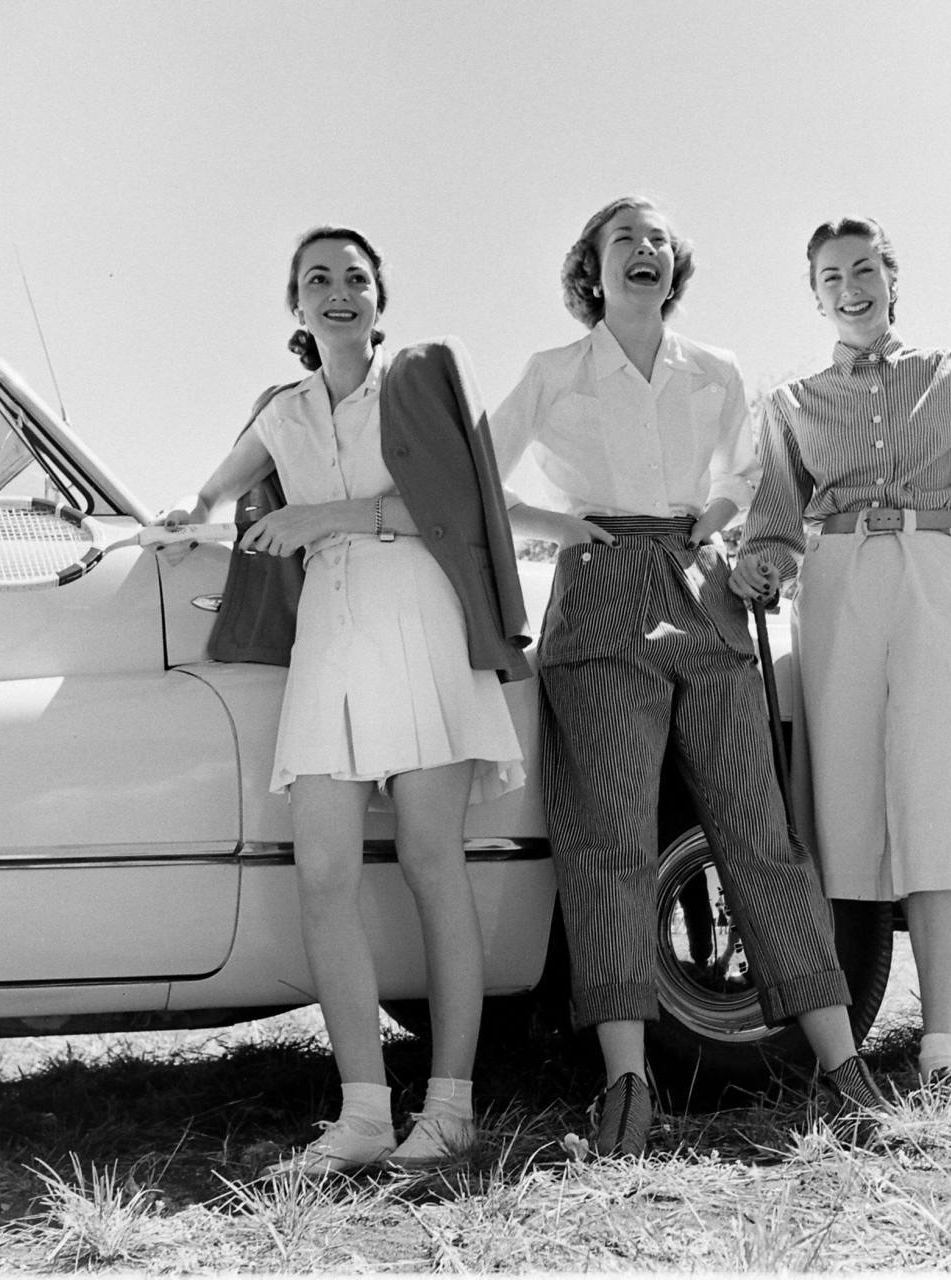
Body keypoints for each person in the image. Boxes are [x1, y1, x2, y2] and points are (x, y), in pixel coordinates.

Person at [490, 196, 889, 1157]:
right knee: (610, 839)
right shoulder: (553, 371)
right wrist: (562, 530)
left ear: (676, 267)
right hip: (595, 587)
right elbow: (476, 482)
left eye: (659, 240)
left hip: (697, 585)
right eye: (623, 239)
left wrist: (718, 523)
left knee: (758, 826)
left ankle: (843, 1068)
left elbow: (751, 477)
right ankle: (626, 1082)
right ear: (592, 265)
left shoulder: (715, 370)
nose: (644, 251)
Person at [159, 226, 532, 1173]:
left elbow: (456, 510)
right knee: (322, 870)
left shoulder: (416, 379)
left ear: (379, 297)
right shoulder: (280, 411)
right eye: (317, 278)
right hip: (329, 635)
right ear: (295, 304)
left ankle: (451, 1107)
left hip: (420, 619)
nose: (337, 291)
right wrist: (183, 518)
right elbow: (212, 494)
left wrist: (324, 515)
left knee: (428, 858)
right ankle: (363, 1113)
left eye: (354, 278)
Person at [731, 216, 951, 1105]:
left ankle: (938, 1047)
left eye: (864, 269)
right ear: (814, 296)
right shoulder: (790, 403)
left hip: (936, 576)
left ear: (893, 278)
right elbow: (773, 524)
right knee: (844, 814)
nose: (850, 288)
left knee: (934, 805)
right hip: (836, 586)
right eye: (830, 277)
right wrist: (757, 566)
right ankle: (887, 1036)